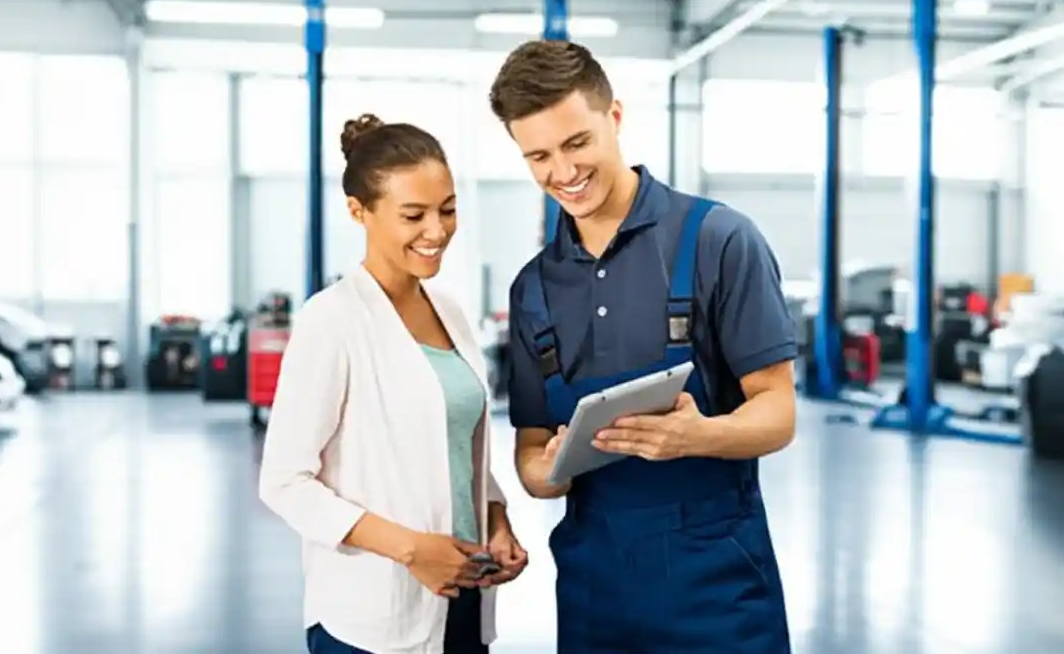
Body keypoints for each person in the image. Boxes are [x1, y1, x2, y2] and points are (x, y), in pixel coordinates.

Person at [489, 40, 799, 652]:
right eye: (539, 156)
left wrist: (698, 436)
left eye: (577, 143)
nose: (564, 172)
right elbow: (530, 453)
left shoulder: (718, 241)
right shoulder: (533, 289)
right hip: (593, 592)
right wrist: (546, 474)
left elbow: (778, 411)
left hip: (718, 586)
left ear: (616, 118)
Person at [259, 114, 528, 654]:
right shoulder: (330, 320)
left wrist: (497, 519)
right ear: (359, 211)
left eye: (448, 210)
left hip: (463, 594)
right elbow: (284, 482)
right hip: (372, 620)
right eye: (414, 215)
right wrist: (411, 550)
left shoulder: (450, 311)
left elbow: (454, 443)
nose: (437, 231)